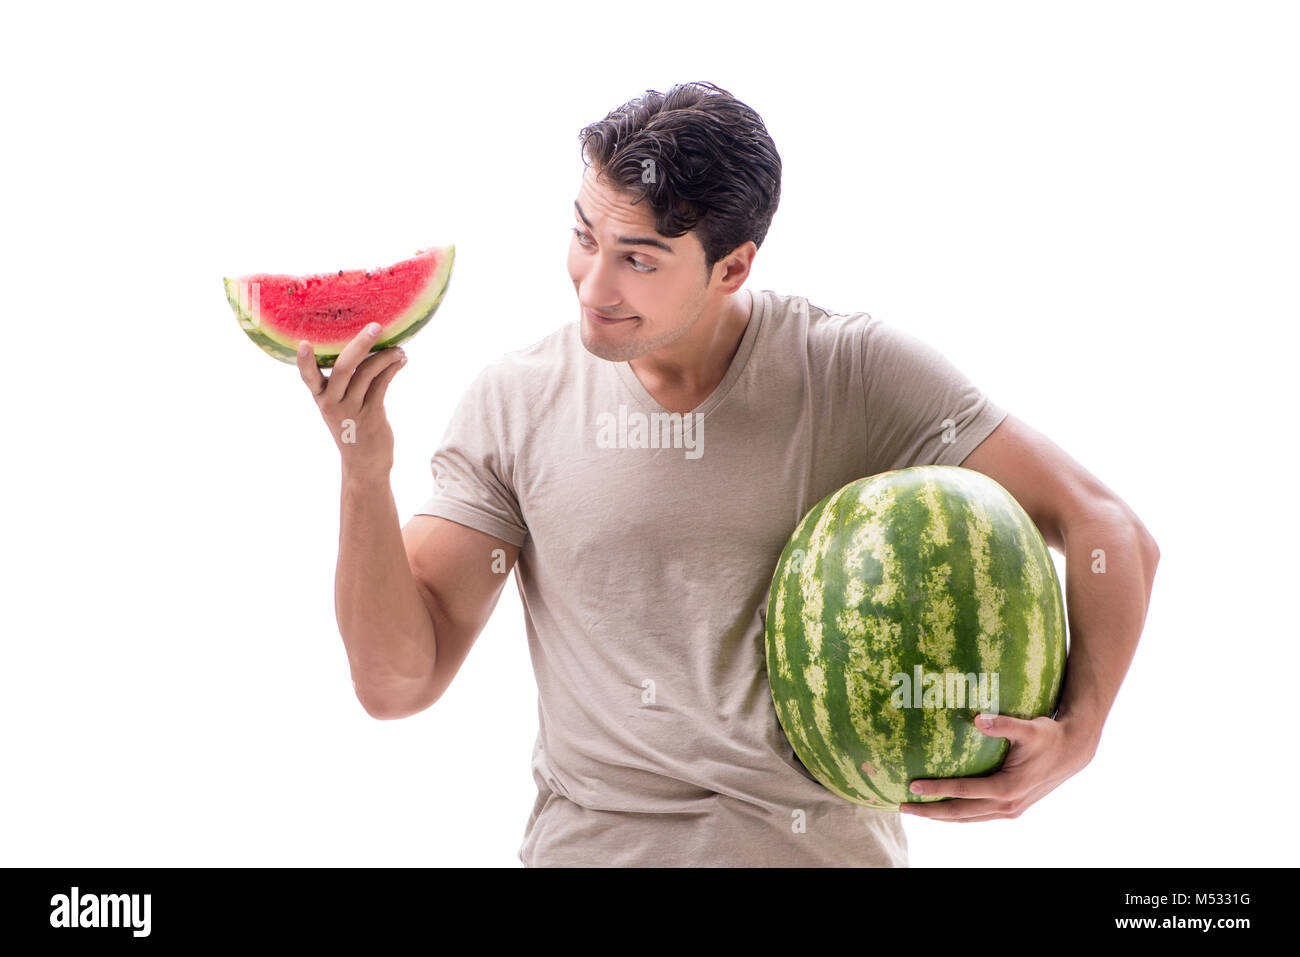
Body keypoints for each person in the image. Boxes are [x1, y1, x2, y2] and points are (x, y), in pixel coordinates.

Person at [296, 81, 1159, 867]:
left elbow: (1106, 528)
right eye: (583, 236)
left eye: (638, 258)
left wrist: (1079, 733)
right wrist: (364, 473)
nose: (592, 284)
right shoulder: (515, 401)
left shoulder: (851, 372)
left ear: (733, 265)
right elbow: (395, 683)